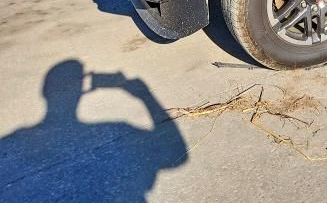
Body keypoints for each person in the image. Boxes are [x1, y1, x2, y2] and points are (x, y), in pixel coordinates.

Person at [0, 60, 187, 201]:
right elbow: (177, 155)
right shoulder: (118, 128)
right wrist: (144, 94)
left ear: (44, 93)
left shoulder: (12, 144)